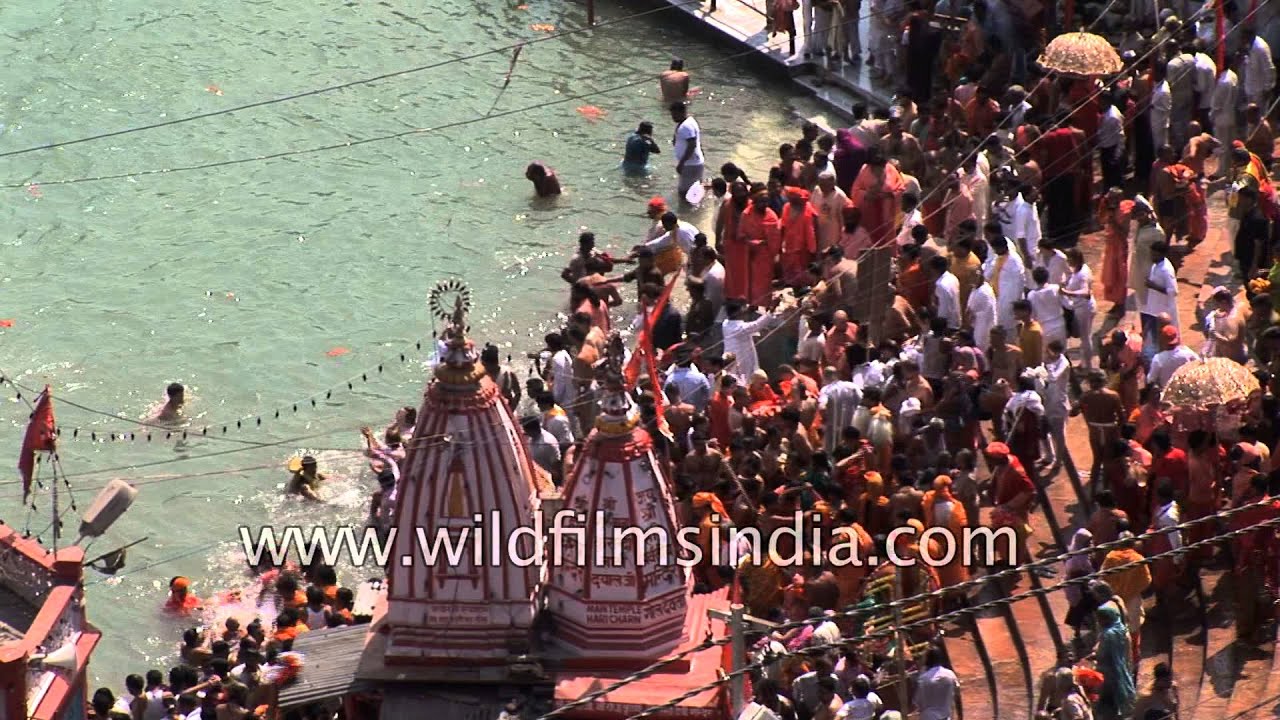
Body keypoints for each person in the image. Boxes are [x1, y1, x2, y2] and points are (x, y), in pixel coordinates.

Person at [670, 102, 705, 200]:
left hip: (690, 165)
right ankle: (696, 212)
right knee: (695, 190)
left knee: (684, 193)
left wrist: (681, 163)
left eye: (674, 114)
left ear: (681, 112)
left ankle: (686, 213)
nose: (672, 117)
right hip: (695, 163)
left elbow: (692, 145)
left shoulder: (686, 126)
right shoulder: (689, 121)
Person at [913, 645, 958, 720]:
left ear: (927, 660)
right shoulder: (950, 674)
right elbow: (957, 696)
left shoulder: (923, 679)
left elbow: (917, 702)